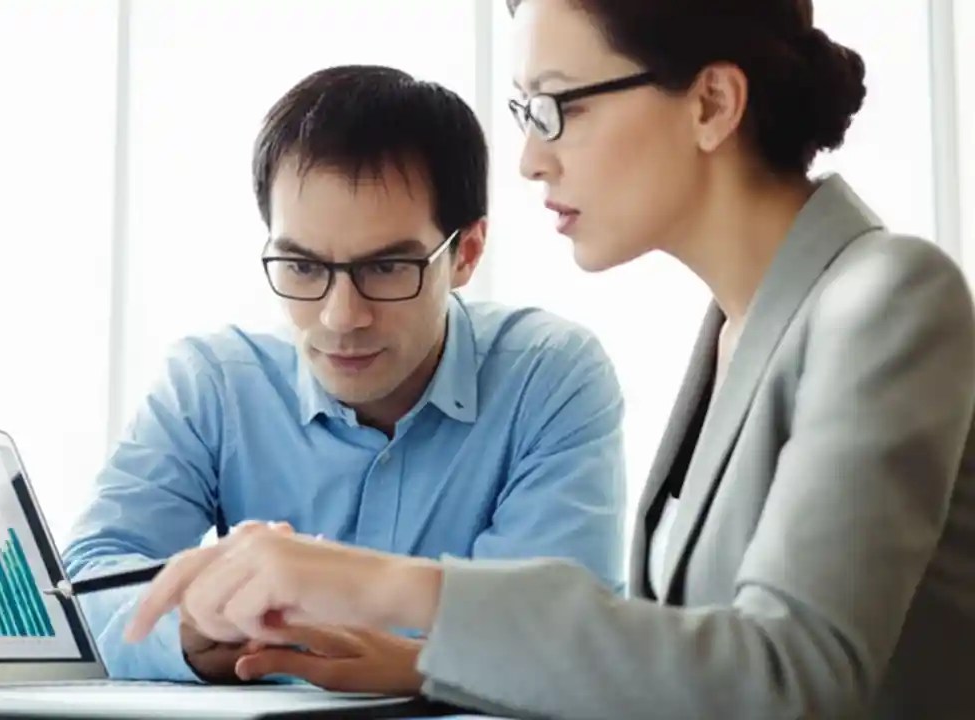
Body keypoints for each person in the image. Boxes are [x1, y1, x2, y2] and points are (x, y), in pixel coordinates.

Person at [123, 0, 975, 717]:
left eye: (557, 106)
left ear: (712, 103)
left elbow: (794, 676)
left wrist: (374, 585)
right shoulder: (736, 326)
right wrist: (417, 660)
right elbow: (683, 663)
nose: (532, 158)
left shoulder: (886, 293)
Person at [61, 64, 627, 684]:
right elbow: (81, 586)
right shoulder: (213, 384)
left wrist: (415, 668)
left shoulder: (548, 378)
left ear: (465, 253)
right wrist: (190, 631)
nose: (340, 317)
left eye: (386, 269)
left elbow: (563, 640)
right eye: (302, 268)